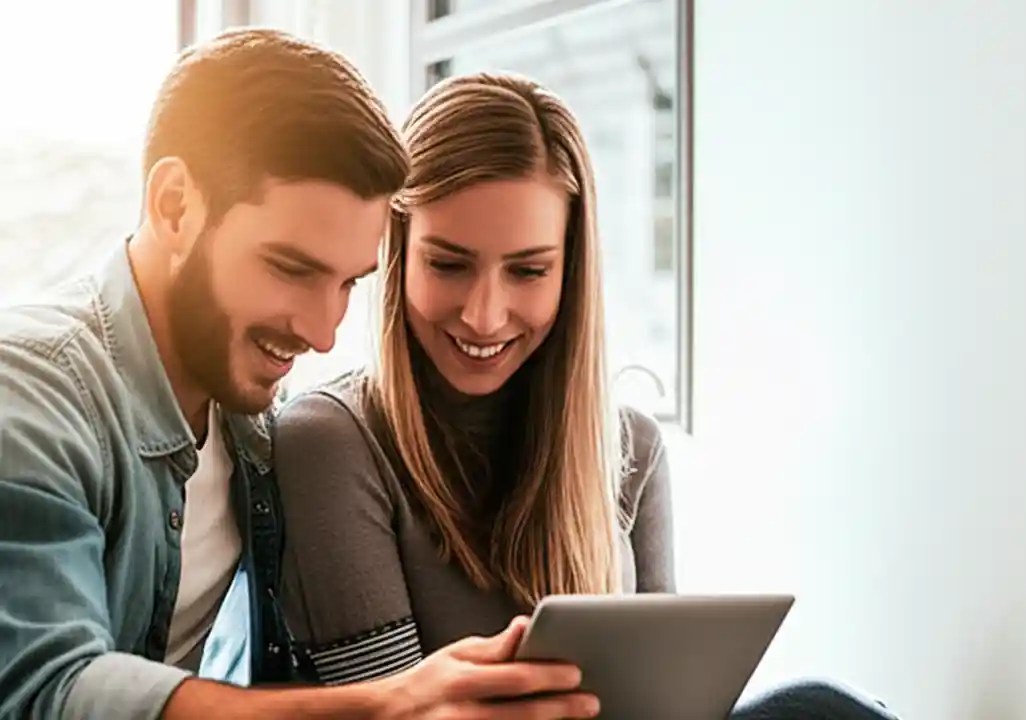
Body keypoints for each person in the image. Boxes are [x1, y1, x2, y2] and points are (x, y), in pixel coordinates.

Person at [0, 31, 600, 720]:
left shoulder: (250, 428)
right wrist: (389, 706)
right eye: (291, 268)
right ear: (173, 206)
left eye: (349, 283)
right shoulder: (28, 391)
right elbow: (45, 689)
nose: (322, 333)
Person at [273, 72, 898, 719]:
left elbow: (676, 705)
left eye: (528, 270)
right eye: (449, 264)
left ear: (570, 271)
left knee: (831, 709)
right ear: (398, 254)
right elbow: (398, 711)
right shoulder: (331, 439)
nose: (485, 316)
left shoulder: (632, 449)